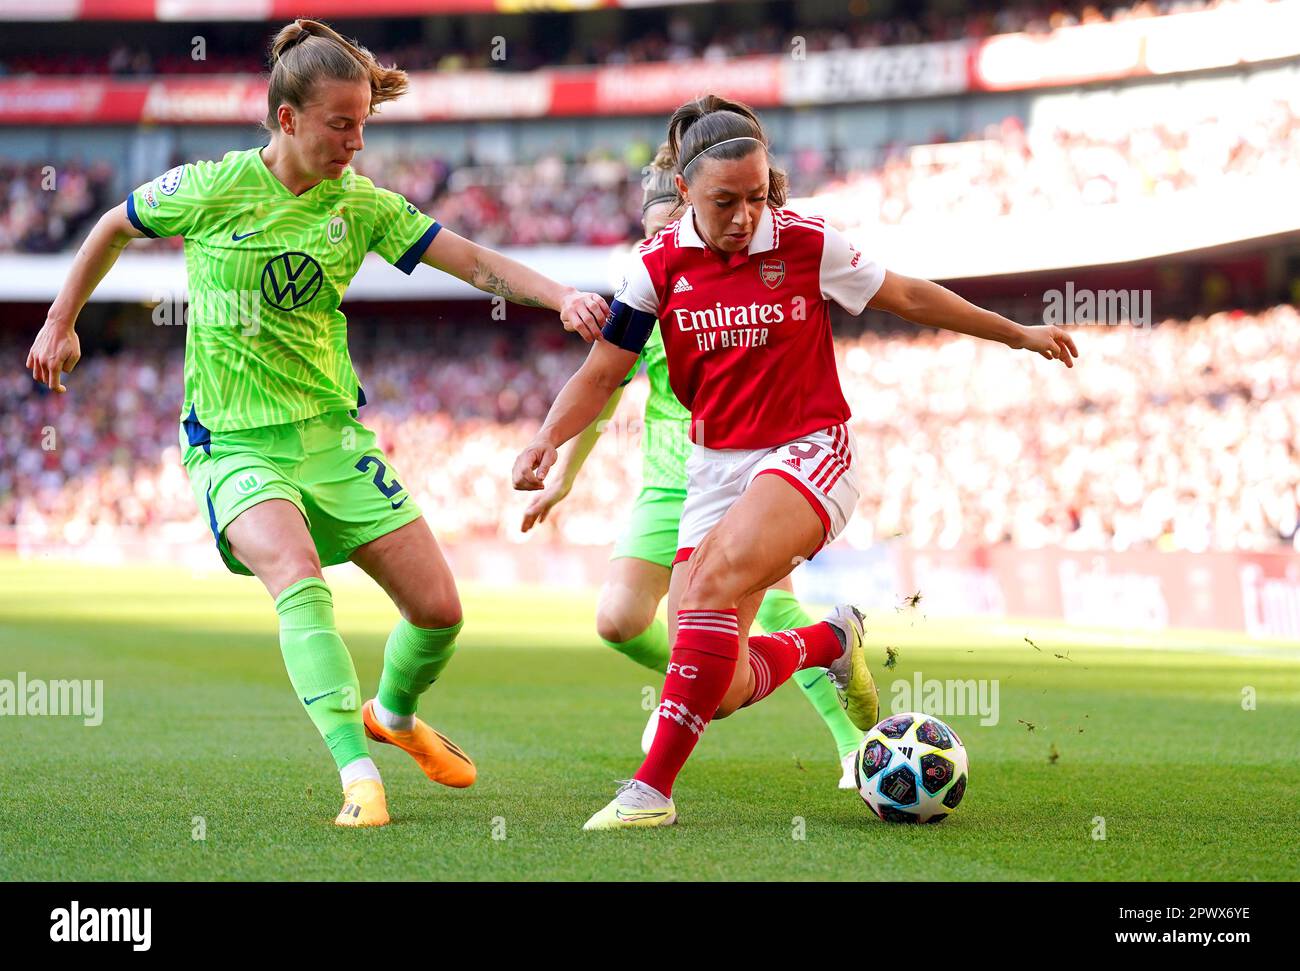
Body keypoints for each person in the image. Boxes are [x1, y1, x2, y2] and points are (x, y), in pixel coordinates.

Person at [25, 19, 609, 829]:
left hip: (333, 437)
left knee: (440, 609)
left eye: (364, 124)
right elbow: (112, 225)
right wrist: (61, 321)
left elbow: (474, 261)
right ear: (288, 118)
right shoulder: (211, 185)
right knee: (299, 579)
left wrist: (563, 294)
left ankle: (393, 716)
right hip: (231, 442)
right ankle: (358, 773)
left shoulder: (360, 205)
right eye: (342, 124)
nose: (356, 142)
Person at [513, 94, 1077, 830]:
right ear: (684, 192)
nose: (745, 215)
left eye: (755, 195)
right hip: (715, 467)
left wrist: (1015, 334)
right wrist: (547, 439)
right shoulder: (655, 266)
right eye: (724, 201)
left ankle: (650, 790)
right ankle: (830, 640)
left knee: (711, 584)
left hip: (810, 450)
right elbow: (598, 373)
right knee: (710, 684)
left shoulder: (808, 242)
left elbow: (905, 294)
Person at [521, 144, 864, 786]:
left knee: (773, 606)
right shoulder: (645, 289)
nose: (660, 242)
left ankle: (850, 741)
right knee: (618, 621)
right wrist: (562, 476)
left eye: (667, 228)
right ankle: (697, 683)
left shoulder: (732, 278)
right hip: (665, 483)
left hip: (744, 468)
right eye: (650, 233)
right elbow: (602, 391)